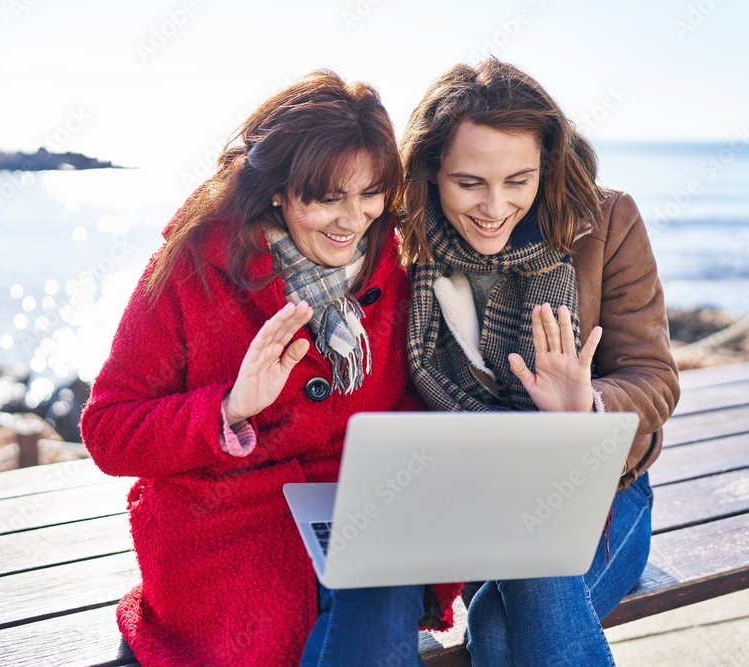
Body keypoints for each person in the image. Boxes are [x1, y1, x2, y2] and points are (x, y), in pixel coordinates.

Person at [80, 70, 460, 667]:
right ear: (279, 188)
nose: (352, 219)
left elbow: (405, 409)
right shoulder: (192, 264)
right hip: (226, 530)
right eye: (327, 197)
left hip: (355, 509)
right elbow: (108, 430)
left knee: (382, 590)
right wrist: (230, 408)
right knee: (308, 626)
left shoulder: (392, 263)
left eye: (370, 193)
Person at [399, 60, 680, 666]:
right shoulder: (402, 240)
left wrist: (587, 410)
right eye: (469, 183)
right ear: (429, 172)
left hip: (602, 496)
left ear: (546, 167)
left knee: (500, 628)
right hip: (470, 501)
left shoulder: (605, 223)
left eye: (519, 181)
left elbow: (655, 379)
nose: (495, 207)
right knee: (505, 611)